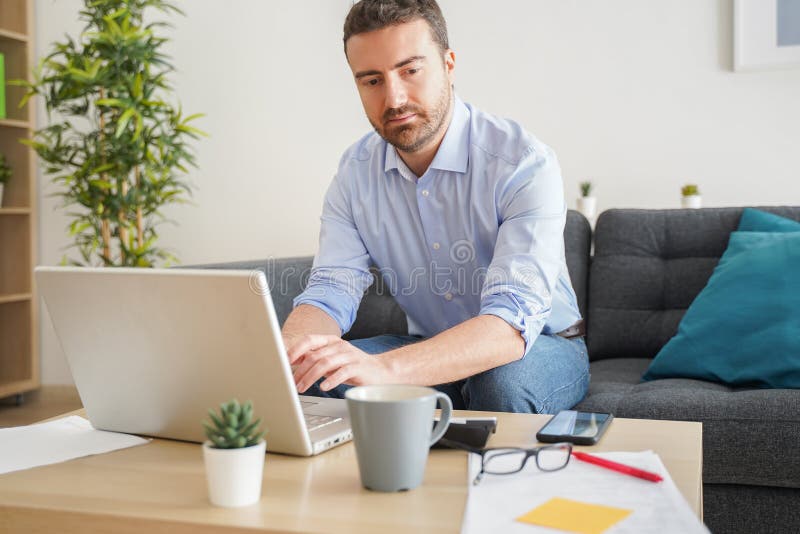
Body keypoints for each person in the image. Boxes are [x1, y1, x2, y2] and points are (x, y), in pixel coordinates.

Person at [281, 0, 588, 413]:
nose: (394, 98)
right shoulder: (354, 174)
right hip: (425, 346)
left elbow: (511, 322)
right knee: (315, 374)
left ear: (448, 63)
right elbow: (331, 290)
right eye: (372, 80)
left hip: (538, 344)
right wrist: (291, 352)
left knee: (498, 389)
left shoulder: (523, 163)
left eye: (410, 70)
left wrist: (386, 371)